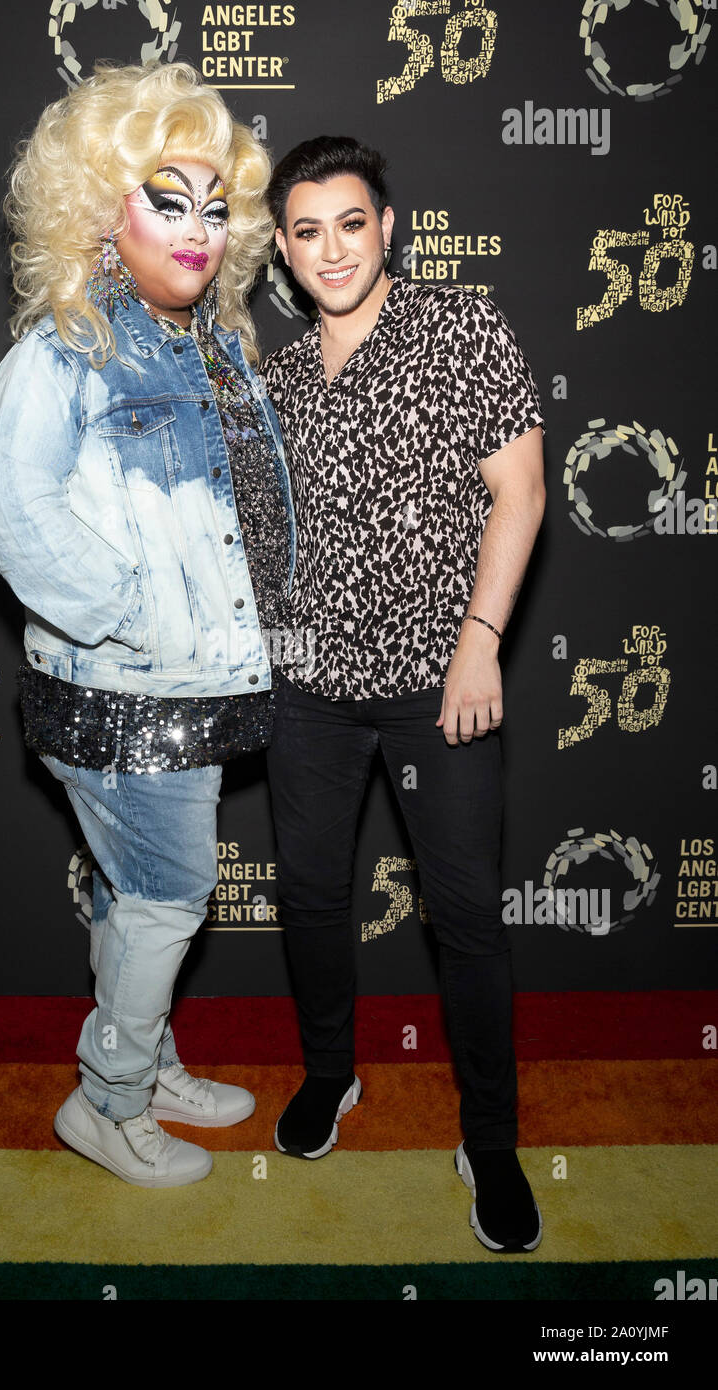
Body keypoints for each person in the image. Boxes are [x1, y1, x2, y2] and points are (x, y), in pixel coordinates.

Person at [0, 61, 295, 1189]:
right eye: (170, 199)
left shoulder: (210, 347)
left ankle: (147, 1065)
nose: (199, 230)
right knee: (170, 894)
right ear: (101, 208)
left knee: (130, 889)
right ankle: (105, 1100)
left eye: (216, 206)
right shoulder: (63, 350)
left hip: (194, 684)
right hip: (121, 690)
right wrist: (128, 614)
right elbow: (11, 514)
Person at [261, 135, 546, 1252]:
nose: (331, 248)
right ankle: (331, 1074)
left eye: (350, 222)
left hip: (441, 683)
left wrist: (479, 644)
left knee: (469, 915)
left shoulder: (461, 326)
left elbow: (519, 496)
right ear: (284, 254)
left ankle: (492, 1136)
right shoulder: (278, 378)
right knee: (311, 892)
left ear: (387, 226)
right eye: (306, 231)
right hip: (310, 692)